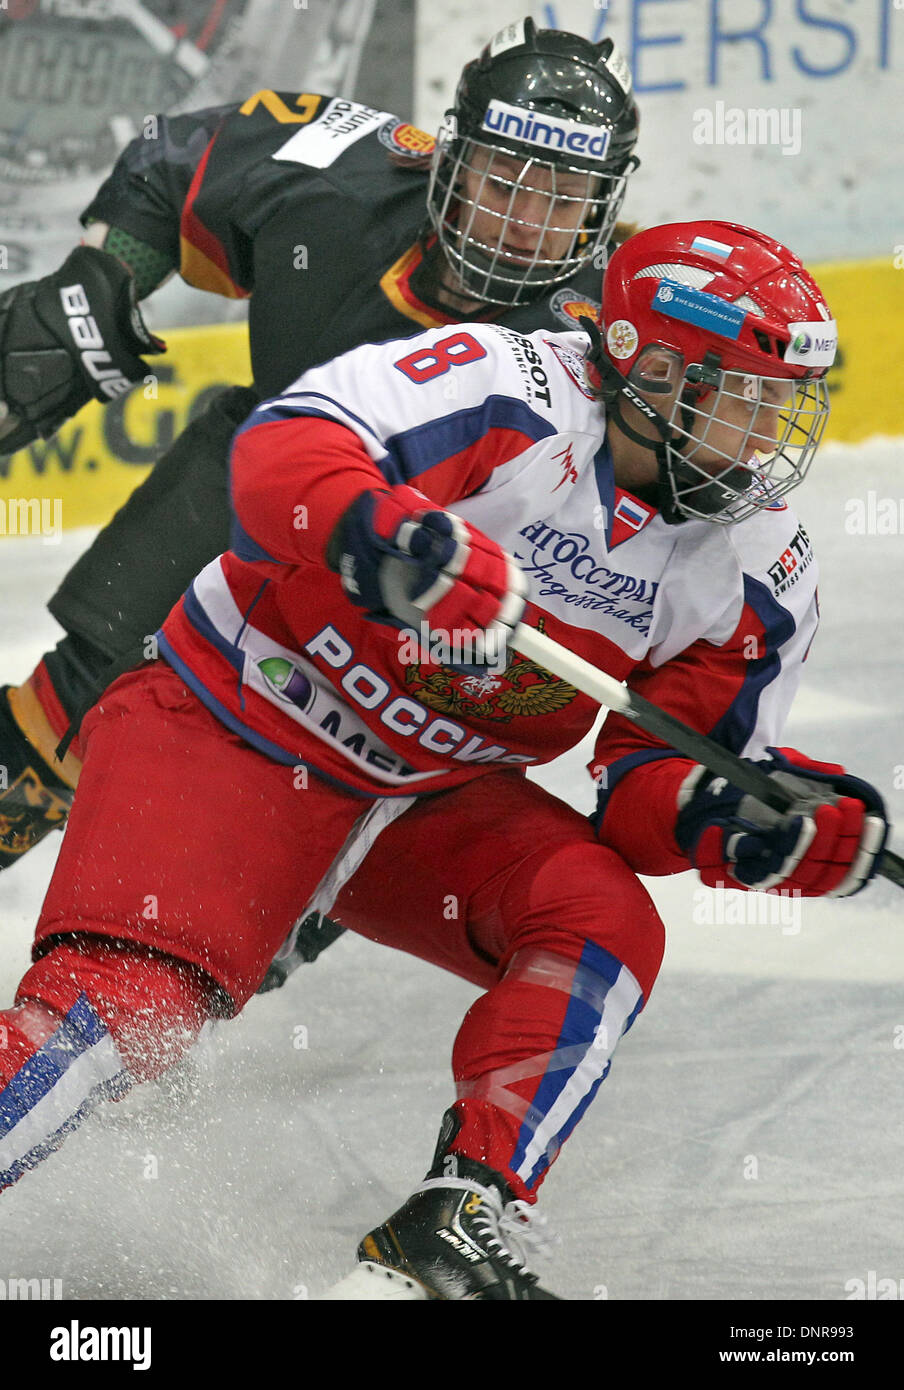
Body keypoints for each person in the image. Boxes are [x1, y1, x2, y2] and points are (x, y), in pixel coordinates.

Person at [0, 219, 888, 1300]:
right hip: (242, 714)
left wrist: (736, 824)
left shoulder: (753, 569)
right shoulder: (504, 381)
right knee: (118, 1011)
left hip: (422, 797)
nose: (764, 440)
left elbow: (643, 789)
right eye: (745, 397)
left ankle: (452, 1221)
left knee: (600, 924)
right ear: (651, 364)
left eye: (778, 409)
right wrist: (386, 536)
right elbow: (280, 451)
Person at [0, 17, 640, 919]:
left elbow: (675, 509)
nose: (524, 224)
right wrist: (98, 280)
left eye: (564, 196)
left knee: (272, 870)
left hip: (427, 594)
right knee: (56, 732)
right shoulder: (342, 170)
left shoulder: (618, 325)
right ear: (447, 159)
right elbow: (174, 155)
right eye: (504, 182)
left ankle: (315, 872)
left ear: (605, 205)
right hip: (259, 497)